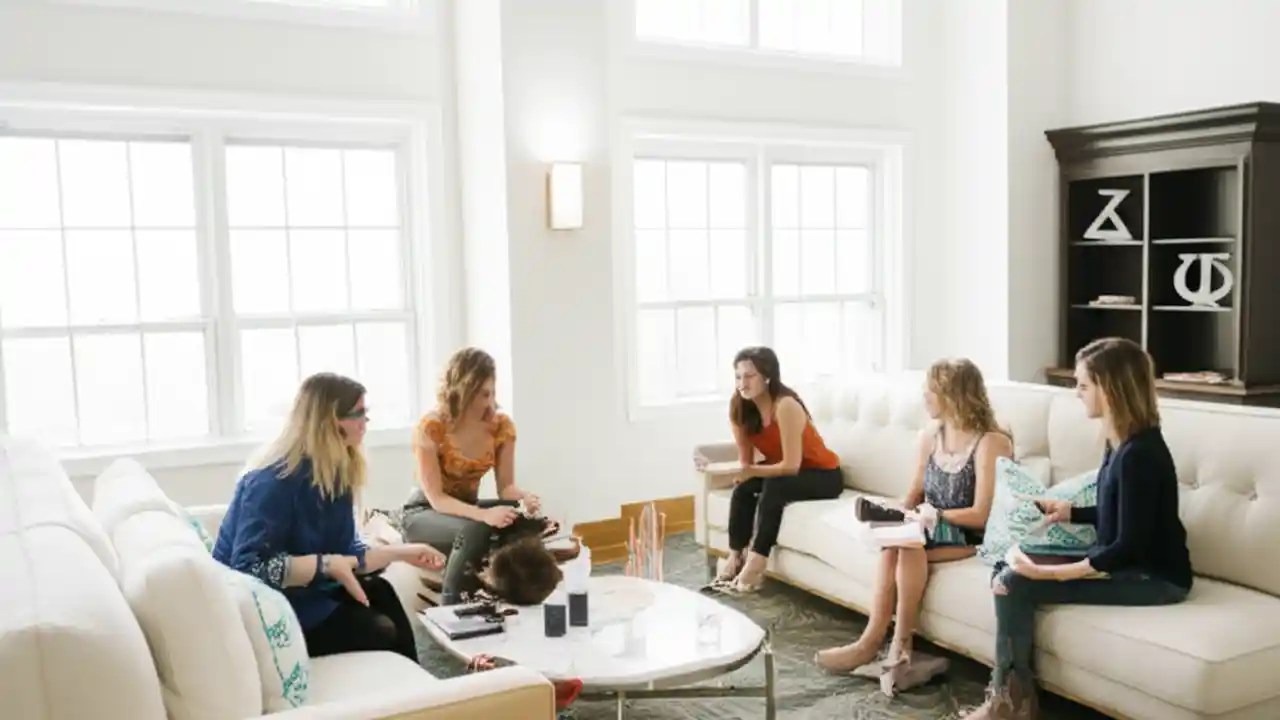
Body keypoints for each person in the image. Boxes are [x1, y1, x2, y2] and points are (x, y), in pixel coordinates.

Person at [962, 338, 1192, 720]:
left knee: (1014, 582)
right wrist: (1072, 513)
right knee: (1007, 566)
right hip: (1123, 561)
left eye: (1084, 385)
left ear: (1111, 389)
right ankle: (1014, 695)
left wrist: (1053, 573)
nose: (1077, 393)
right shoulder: (1119, 443)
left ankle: (1010, 701)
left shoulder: (1141, 454)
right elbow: (1123, 513)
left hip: (1154, 577)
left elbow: (1128, 546)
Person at [213, 373, 445, 660]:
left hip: (308, 592)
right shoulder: (270, 484)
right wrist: (324, 565)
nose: (366, 423)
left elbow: (348, 554)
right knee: (379, 630)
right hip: (273, 609)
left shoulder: (335, 476)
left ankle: (420, 692)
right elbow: (248, 568)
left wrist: (404, 552)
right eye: (359, 414)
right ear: (330, 422)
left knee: (381, 591)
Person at [816, 358, 1013, 688]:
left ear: (953, 395)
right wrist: (894, 512)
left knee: (906, 543)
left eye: (931, 390)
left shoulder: (991, 442)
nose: (924, 397)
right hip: (927, 528)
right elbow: (914, 492)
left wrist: (933, 516)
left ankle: (880, 645)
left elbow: (982, 513)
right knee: (899, 542)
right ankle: (891, 648)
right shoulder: (930, 436)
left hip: (971, 532)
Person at [697, 346, 844, 593]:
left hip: (823, 475)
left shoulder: (785, 405)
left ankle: (756, 563)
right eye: (738, 377)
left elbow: (790, 465)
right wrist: (723, 469)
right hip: (787, 474)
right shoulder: (740, 408)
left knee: (775, 487)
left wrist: (752, 471)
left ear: (767, 377)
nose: (742, 383)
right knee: (744, 489)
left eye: (749, 376)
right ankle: (735, 557)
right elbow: (746, 465)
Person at [402, 347, 543, 604]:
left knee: (525, 521)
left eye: (492, 393)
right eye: (482, 394)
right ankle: (451, 604)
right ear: (462, 391)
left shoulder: (501, 428)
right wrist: (484, 515)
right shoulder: (431, 427)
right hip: (423, 512)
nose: (489, 402)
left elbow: (507, 488)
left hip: (466, 510)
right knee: (477, 528)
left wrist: (525, 499)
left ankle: (515, 596)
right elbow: (437, 499)